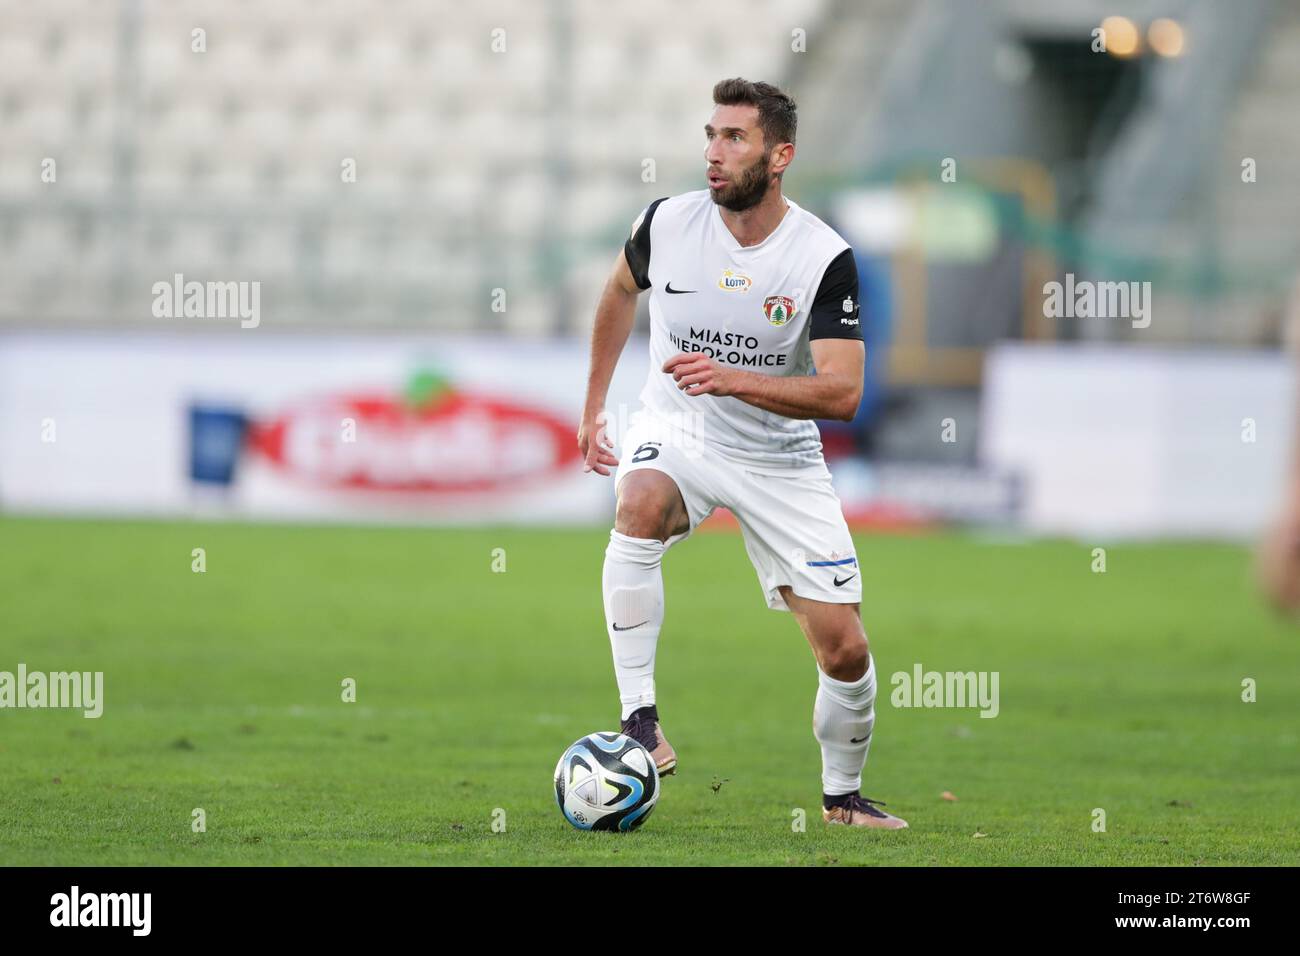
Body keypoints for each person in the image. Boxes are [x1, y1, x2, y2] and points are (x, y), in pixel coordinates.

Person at [576, 78, 906, 829]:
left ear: (780, 154)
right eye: (710, 135)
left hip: (779, 458)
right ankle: (639, 720)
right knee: (638, 504)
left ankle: (842, 799)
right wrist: (595, 405)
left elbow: (842, 393)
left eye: (735, 139)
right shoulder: (666, 222)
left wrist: (734, 379)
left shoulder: (823, 257)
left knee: (844, 650)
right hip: (681, 428)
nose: (713, 154)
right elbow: (619, 293)